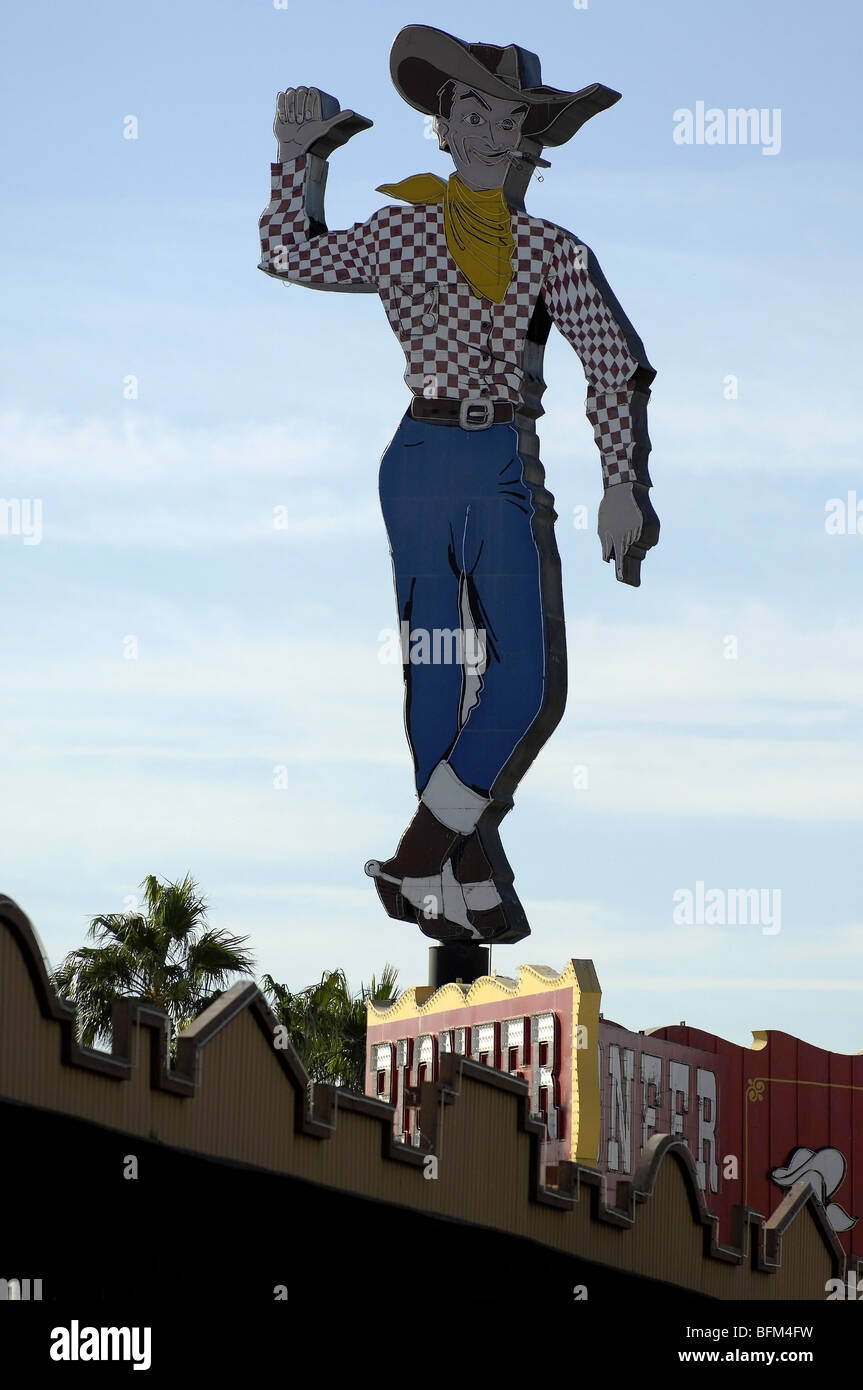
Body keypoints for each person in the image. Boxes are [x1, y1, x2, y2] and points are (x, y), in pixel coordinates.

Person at [258, 25, 658, 945]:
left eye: (506, 117)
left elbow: (612, 362)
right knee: (434, 662)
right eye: (470, 111)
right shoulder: (403, 228)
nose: (486, 130)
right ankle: (463, 873)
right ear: (442, 125)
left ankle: (416, 862)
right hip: (420, 458)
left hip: (500, 462)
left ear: (528, 137)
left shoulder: (552, 250)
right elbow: (291, 254)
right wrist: (292, 161)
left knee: (522, 678)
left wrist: (620, 481)